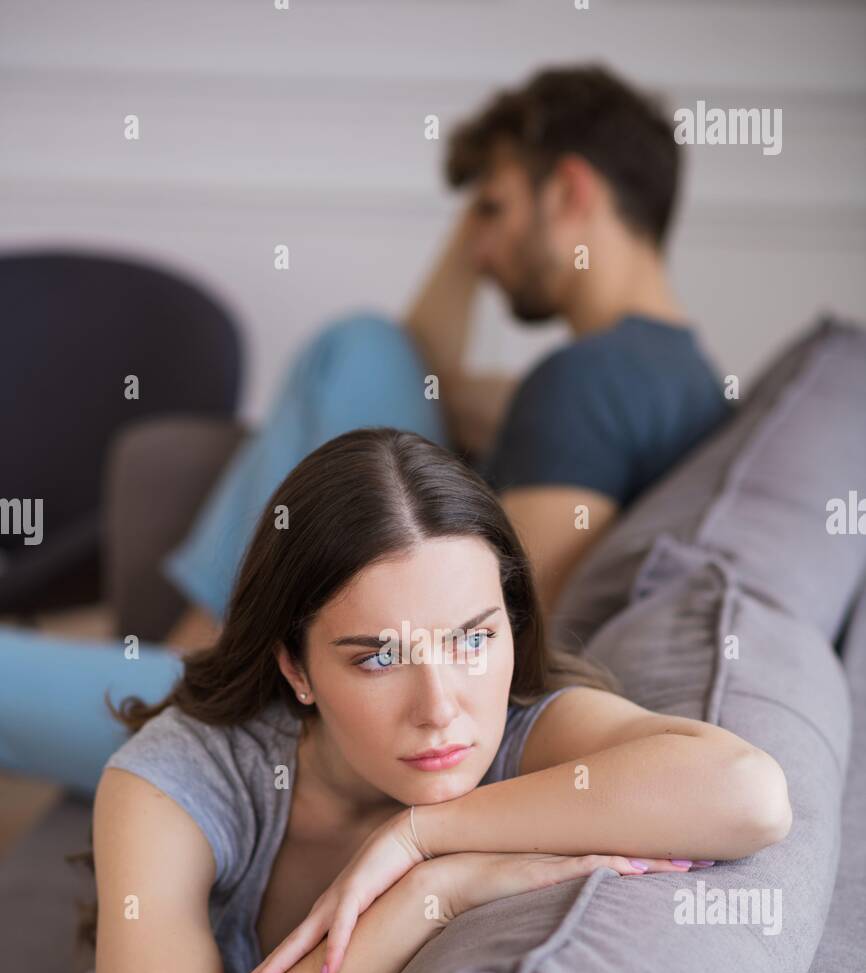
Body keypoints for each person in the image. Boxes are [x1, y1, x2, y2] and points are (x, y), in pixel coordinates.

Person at [0, 429, 790, 973]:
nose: (442, 708)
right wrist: (429, 899)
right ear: (296, 667)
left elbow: (751, 795)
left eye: (471, 638)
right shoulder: (183, 772)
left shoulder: (525, 733)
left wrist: (424, 845)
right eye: (379, 656)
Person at [0, 65, 729, 797]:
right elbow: (420, 364)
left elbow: (506, 639)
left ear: (571, 191)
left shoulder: (582, 386)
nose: (480, 250)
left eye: (494, 208)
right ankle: (197, 657)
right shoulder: (669, 373)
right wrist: (483, 217)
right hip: (338, 660)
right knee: (363, 343)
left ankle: (192, 701)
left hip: (312, 717)